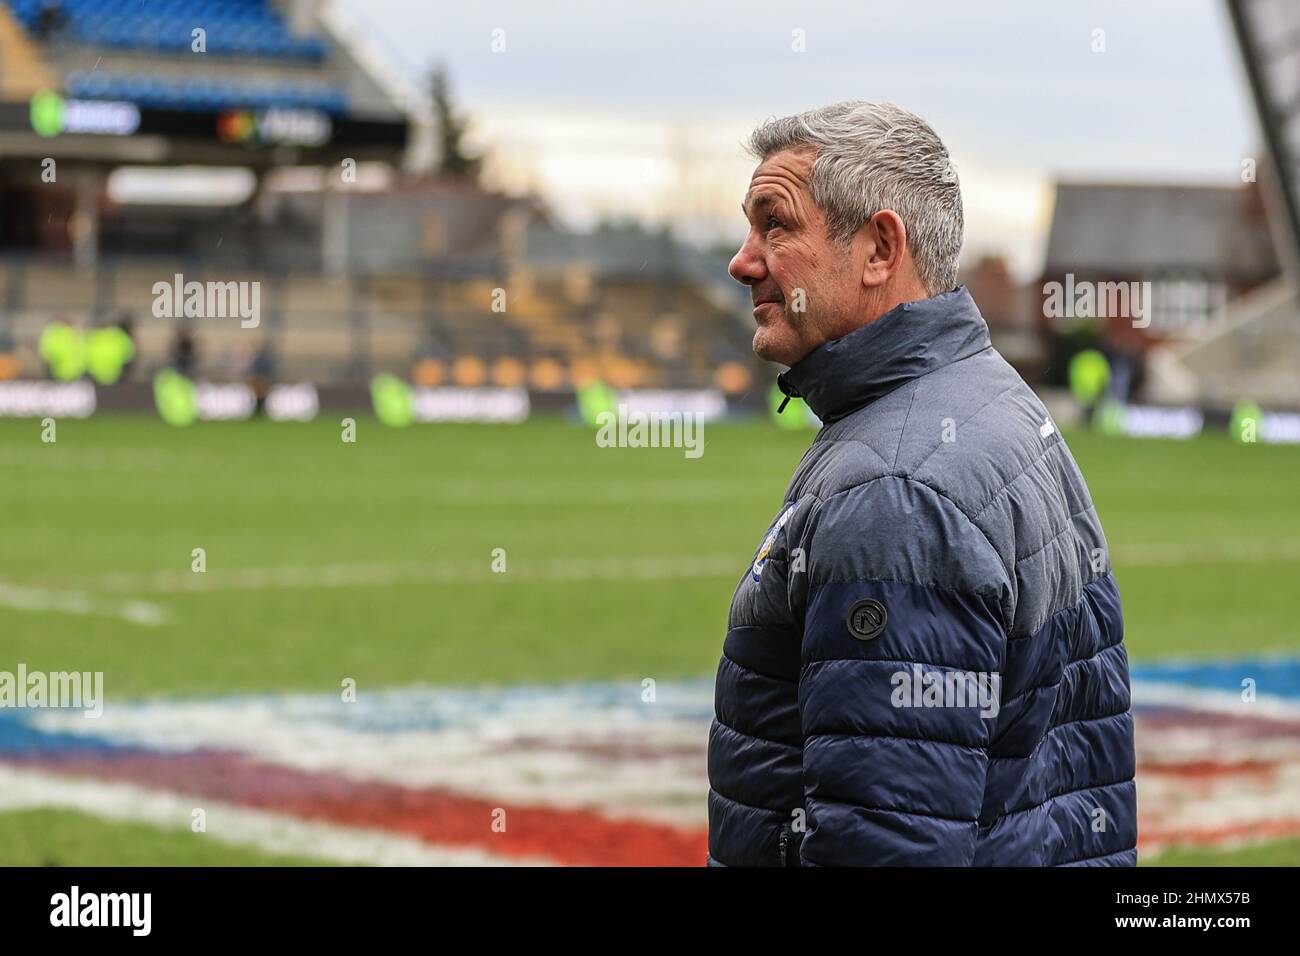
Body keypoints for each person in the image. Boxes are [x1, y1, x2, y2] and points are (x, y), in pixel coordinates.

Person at [707, 101, 1136, 866]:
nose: (743, 259)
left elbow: (886, 843)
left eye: (776, 224)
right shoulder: (991, 399)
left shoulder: (896, 488)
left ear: (879, 248)